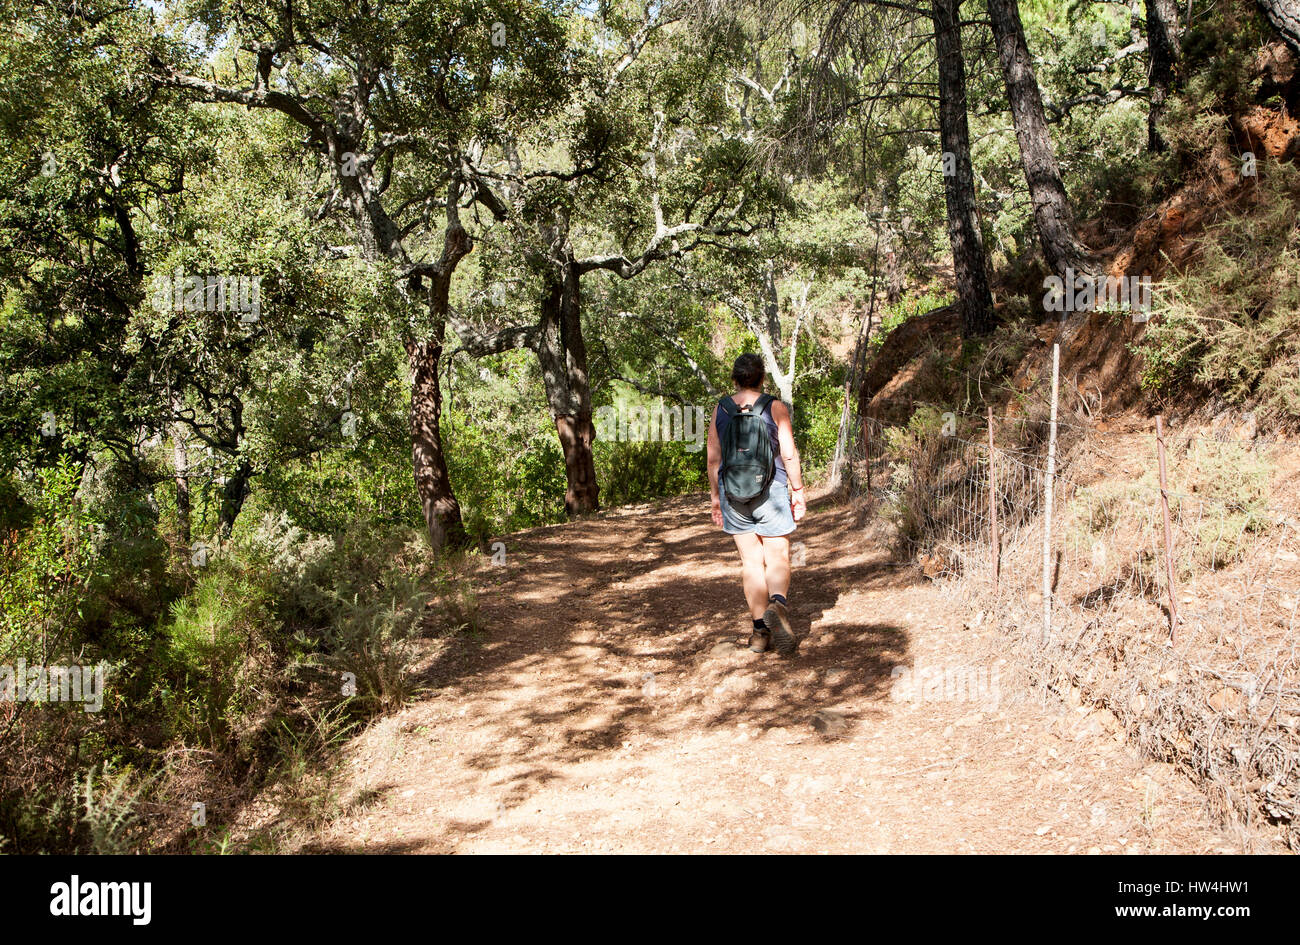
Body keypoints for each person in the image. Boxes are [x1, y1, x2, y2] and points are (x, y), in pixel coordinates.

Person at [707, 353, 807, 655]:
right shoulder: (774, 407)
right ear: (762, 378)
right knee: (777, 555)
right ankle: (778, 603)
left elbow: (714, 458)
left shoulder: (721, 409)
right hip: (771, 490)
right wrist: (798, 489)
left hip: (733, 494)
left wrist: (715, 498)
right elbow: (788, 454)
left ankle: (760, 633)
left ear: (734, 379)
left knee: (750, 562)